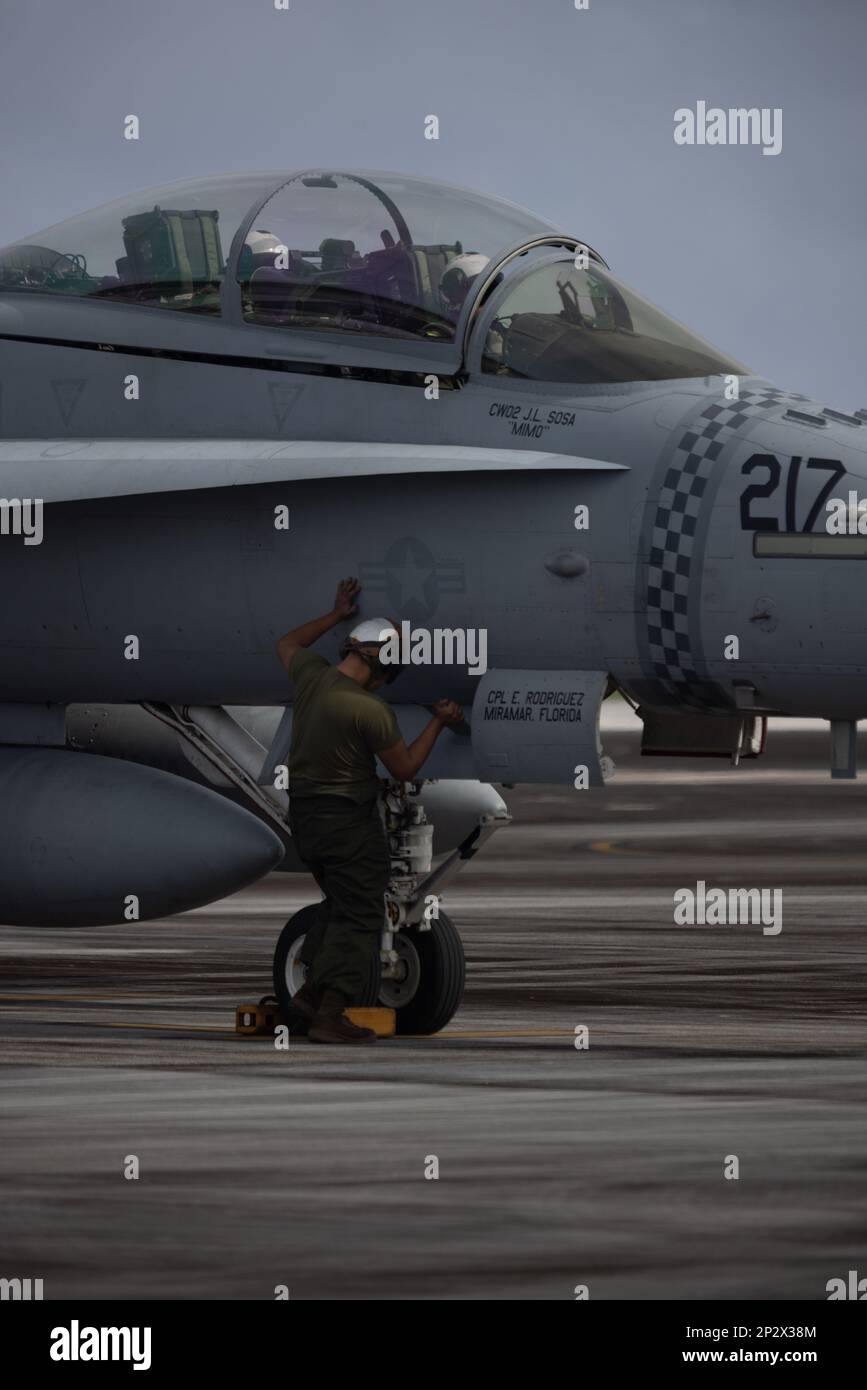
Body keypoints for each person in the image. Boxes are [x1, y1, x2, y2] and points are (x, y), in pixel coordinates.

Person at [276, 578, 463, 1044]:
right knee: (361, 914)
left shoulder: (312, 677)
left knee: (338, 906)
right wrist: (440, 722)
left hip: (304, 818)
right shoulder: (370, 710)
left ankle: (306, 998)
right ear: (382, 667)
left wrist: (336, 614)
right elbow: (404, 768)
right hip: (347, 825)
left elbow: (286, 642)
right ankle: (331, 1013)